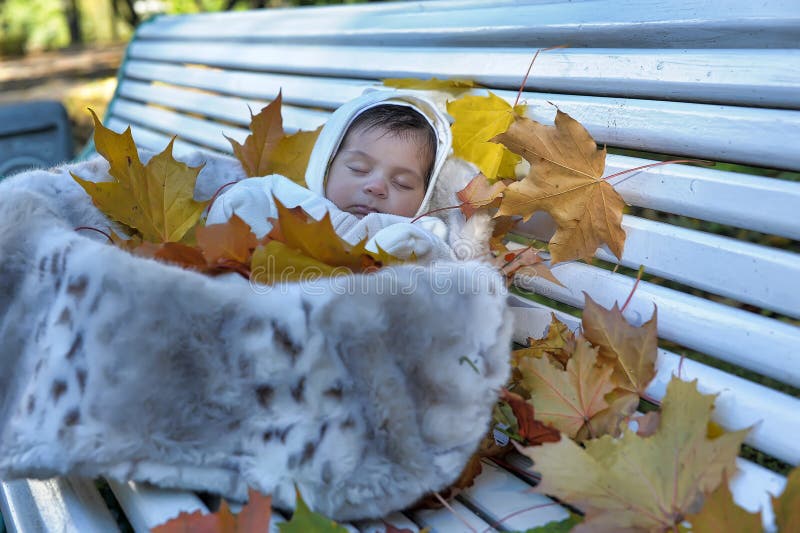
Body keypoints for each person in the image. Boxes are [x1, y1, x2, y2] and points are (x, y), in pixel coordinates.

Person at [206, 90, 456, 262]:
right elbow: (240, 204)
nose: (376, 186)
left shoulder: (423, 235)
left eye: (402, 183)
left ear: (425, 195)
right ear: (325, 165)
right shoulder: (281, 199)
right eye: (358, 168)